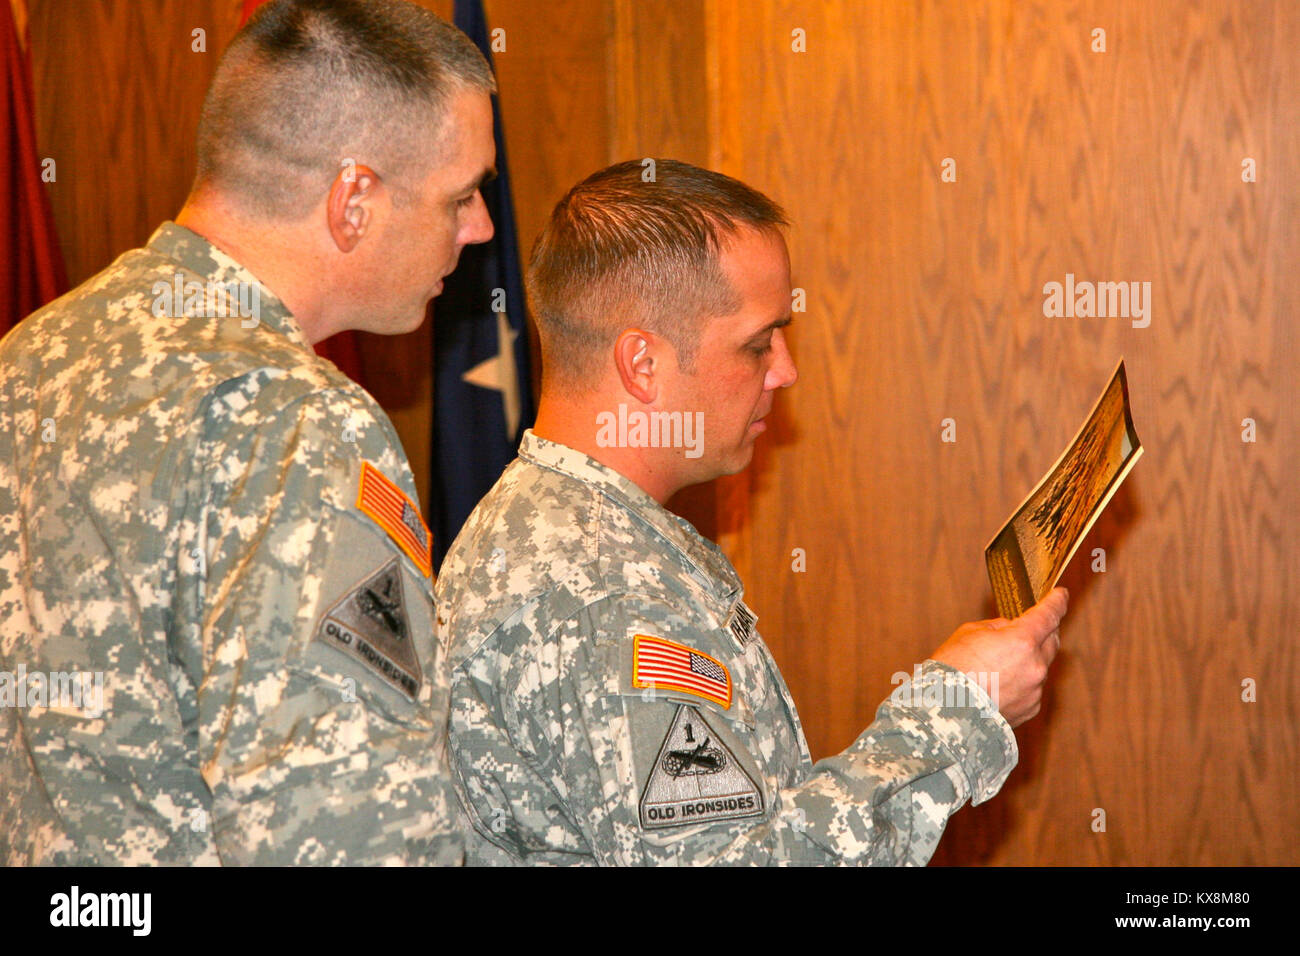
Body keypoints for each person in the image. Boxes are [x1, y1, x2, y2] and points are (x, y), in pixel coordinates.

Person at [437, 159, 1068, 865]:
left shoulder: (584, 529)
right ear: (642, 364)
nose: (786, 370)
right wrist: (957, 714)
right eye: (758, 343)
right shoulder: (599, 589)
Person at [0, 0, 496, 865]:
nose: (482, 226)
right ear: (353, 201)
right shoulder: (302, 422)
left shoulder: (30, 358)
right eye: (461, 195)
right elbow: (345, 833)